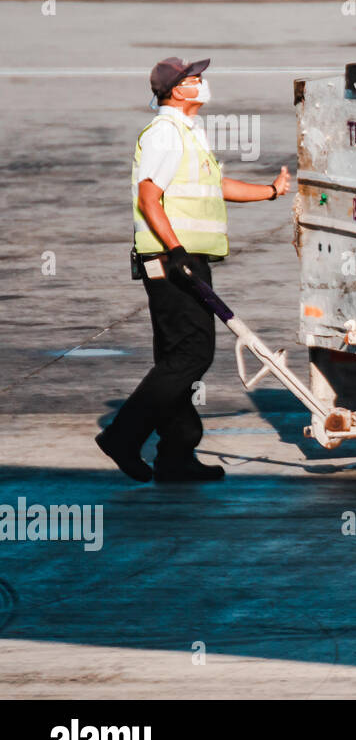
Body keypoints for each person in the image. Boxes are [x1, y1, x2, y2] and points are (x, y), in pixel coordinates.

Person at [96, 57, 290, 482]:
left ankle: (176, 455)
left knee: (175, 356)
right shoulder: (165, 133)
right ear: (176, 90)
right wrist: (177, 251)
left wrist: (272, 192)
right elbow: (150, 198)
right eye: (194, 79)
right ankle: (123, 437)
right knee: (192, 354)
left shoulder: (188, 133)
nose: (203, 84)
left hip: (182, 258)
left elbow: (216, 187)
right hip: (171, 261)